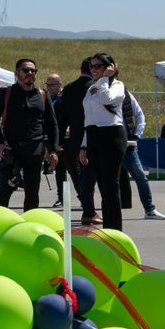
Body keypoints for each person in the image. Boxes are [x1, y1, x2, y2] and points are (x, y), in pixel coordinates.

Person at [0, 58, 59, 210]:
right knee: (5, 190)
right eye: (26, 70)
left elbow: (52, 124)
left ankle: (30, 227)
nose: (30, 73)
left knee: (32, 192)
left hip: (35, 149)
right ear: (17, 73)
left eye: (33, 71)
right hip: (11, 150)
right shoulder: (6, 93)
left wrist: (53, 150)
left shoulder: (42, 95)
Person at [77, 54, 128, 230]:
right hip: (93, 136)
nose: (94, 70)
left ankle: (115, 229)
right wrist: (84, 144)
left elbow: (107, 99)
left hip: (111, 135)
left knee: (110, 185)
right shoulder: (93, 86)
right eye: (91, 66)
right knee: (102, 186)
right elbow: (88, 118)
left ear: (109, 67)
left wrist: (106, 77)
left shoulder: (117, 85)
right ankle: (108, 228)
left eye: (98, 66)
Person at [119, 86, 165, 220]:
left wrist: (136, 136)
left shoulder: (124, 92)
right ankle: (99, 211)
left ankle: (149, 209)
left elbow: (140, 115)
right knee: (107, 179)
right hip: (109, 145)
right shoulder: (99, 91)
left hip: (128, 145)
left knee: (140, 177)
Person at [58, 59, 94, 221]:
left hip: (74, 138)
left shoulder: (69, 88)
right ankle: (90, 209)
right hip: (95, 137)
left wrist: (57, 140)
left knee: (79, 174)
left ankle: (87, 205)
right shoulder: (95, 88)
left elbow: (62, 118)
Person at [43, 72, 71, 202]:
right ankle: (62, 197)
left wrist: (70, 126)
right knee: (59, 169)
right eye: (47, 84)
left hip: (67, 137)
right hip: (54, 138)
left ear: (60, 84)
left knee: (73, 169)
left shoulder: (66, 97)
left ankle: (83, 197)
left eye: (52, 84)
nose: (49, 87)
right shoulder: (46, 97)